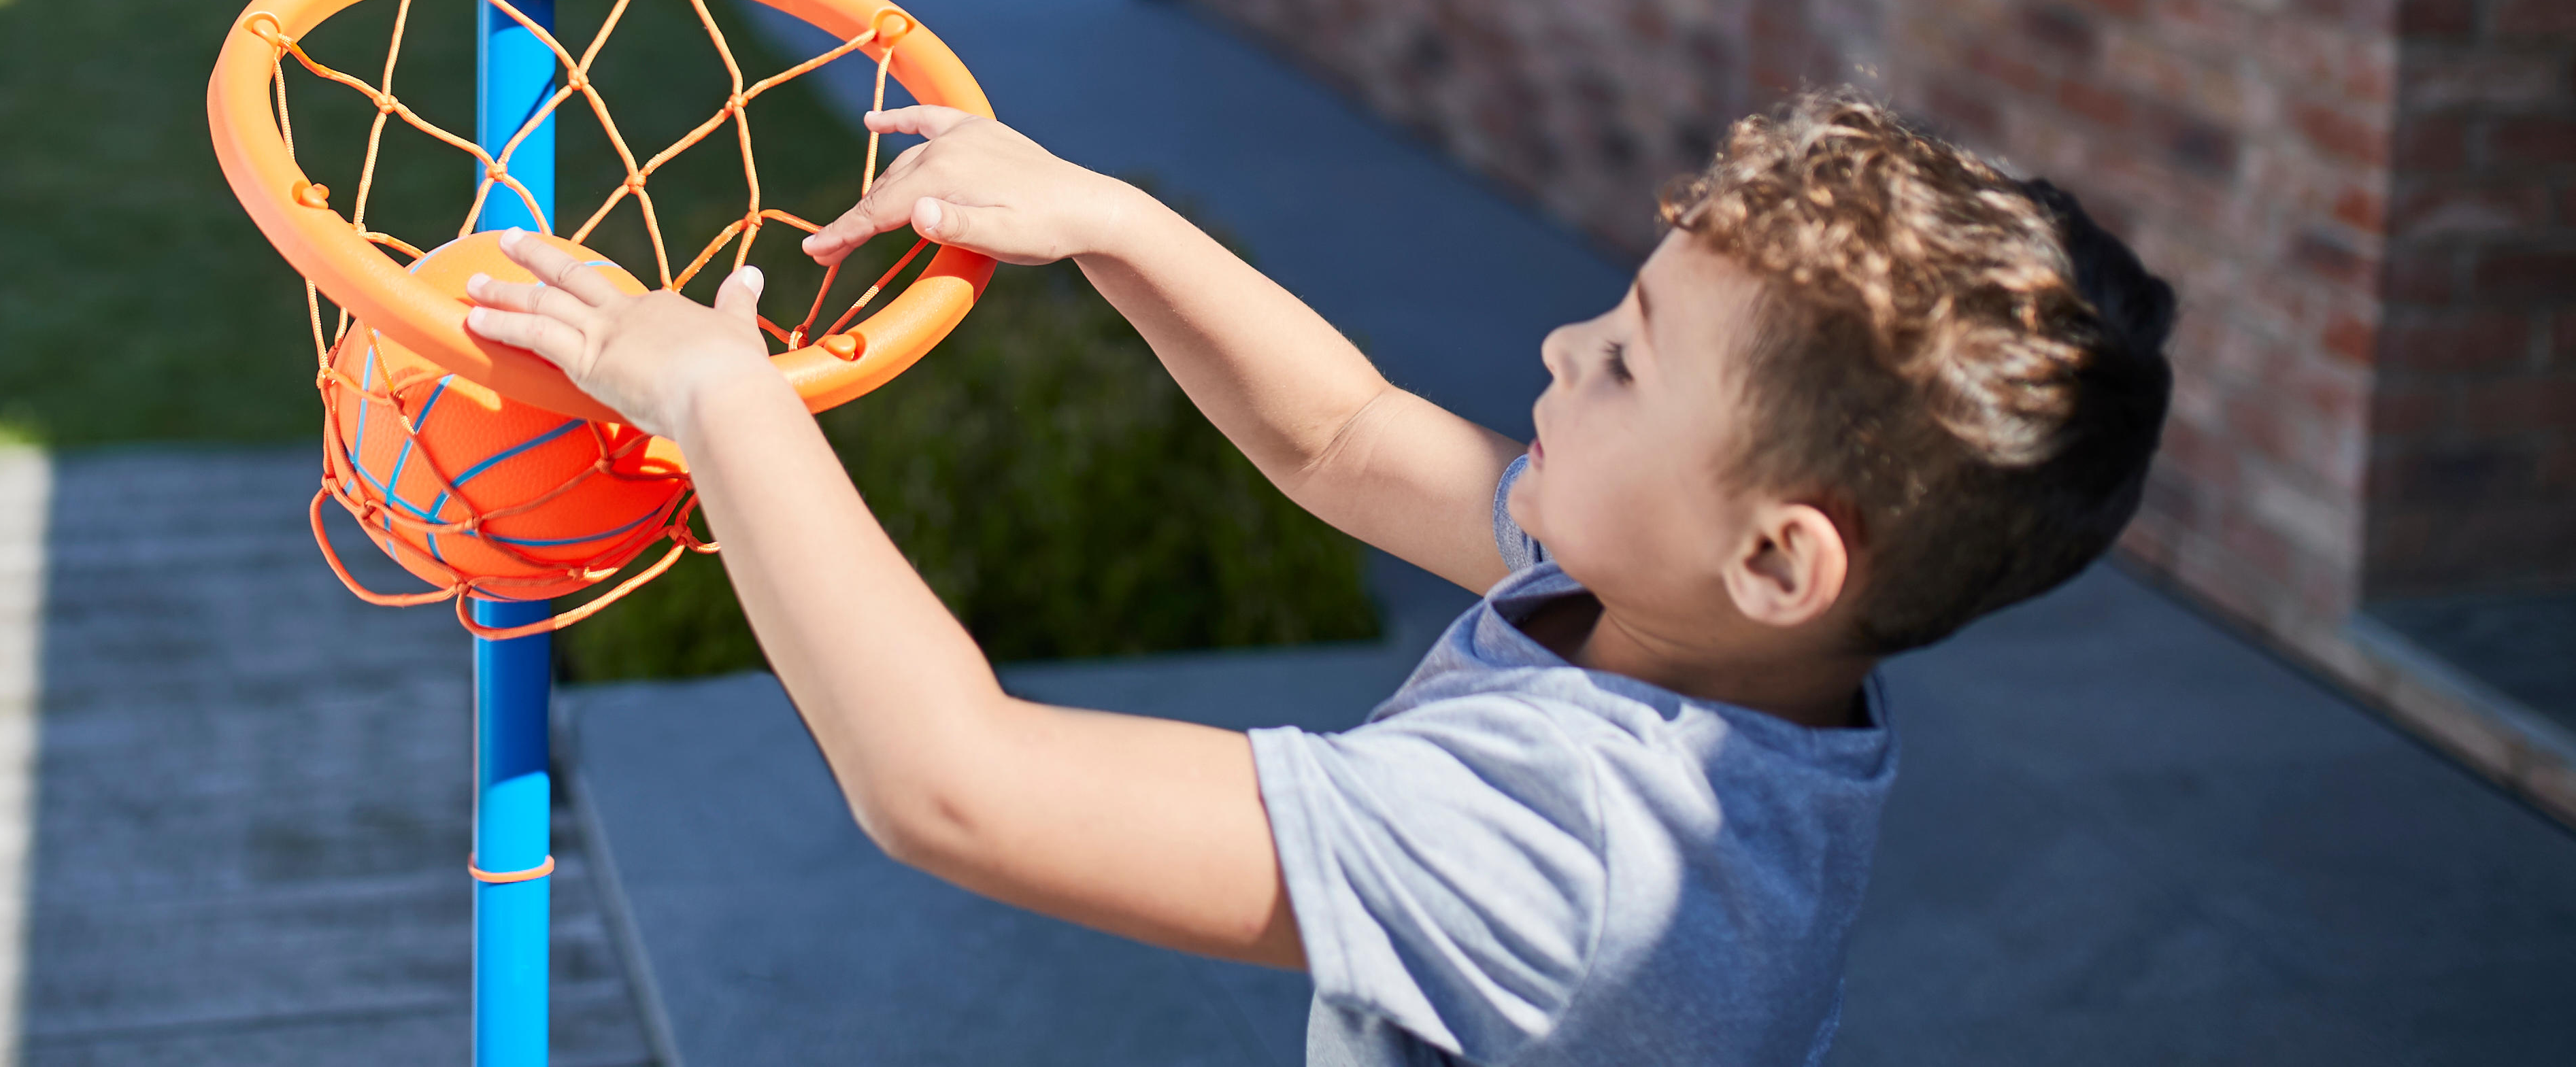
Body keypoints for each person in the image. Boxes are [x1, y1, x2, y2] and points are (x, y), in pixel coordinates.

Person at [461, 89, 2176, 1065]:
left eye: (1631, 364)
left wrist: (722, 402)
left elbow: (953, 786)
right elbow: (1343, 438)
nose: (1560, 344)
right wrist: (1114, 220)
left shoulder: (1575, 844)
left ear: (1779, 557)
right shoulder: (1687, 625)